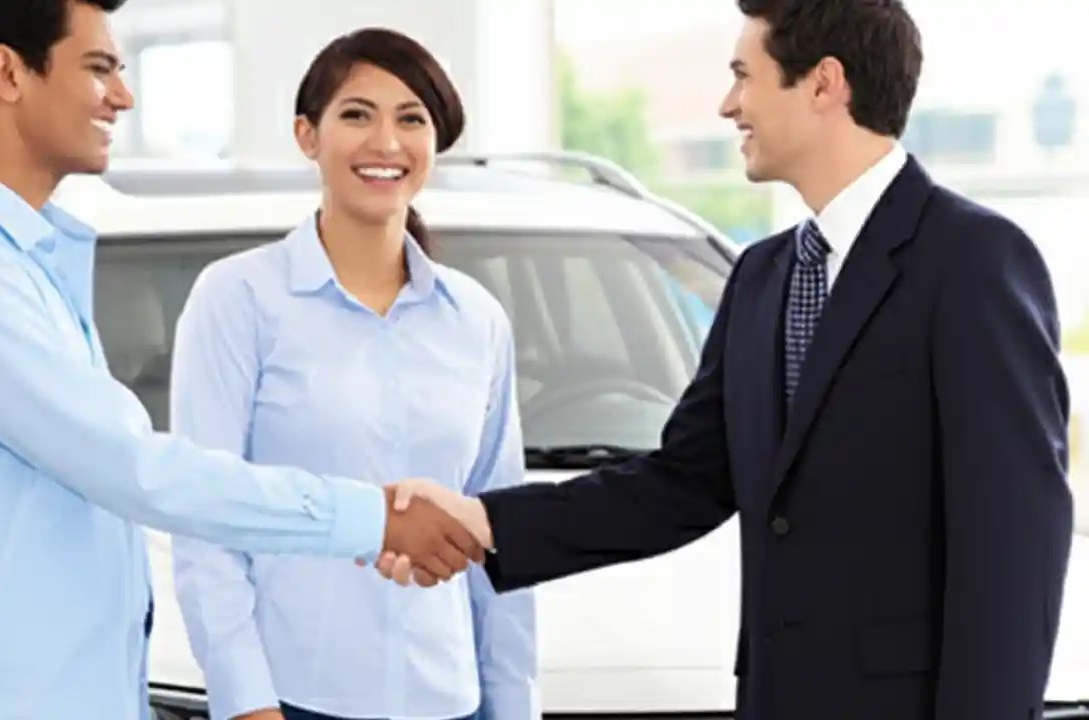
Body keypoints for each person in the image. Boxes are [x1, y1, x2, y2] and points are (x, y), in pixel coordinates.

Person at [379, 1, 1075, 718]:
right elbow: (683, 482)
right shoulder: (763, 275)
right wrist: (484, 522)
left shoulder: (972, 262)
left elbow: (1014, 547)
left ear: (825, 84)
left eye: (745, 76)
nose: (728, 104)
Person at [0, 3, 482, 719]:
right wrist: (372, 516)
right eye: (99, 70)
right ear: (5, 73)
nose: (123, 96)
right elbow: (138, 470)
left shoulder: (26, 261)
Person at [169, 27, 538, 720]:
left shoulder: (475, 320)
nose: (386, 143)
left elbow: (500, 538)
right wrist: (247, 705)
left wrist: (512, 706)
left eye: (412, 119)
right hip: (293, 700)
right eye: (356, 115)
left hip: (446, 700)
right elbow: (205, 519)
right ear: (308, 135)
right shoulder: (239, 299)